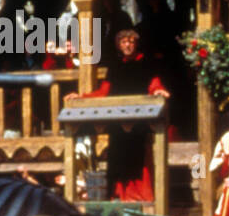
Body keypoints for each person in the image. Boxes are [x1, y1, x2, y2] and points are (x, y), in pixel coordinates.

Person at [65, 29, 170, 202]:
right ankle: (119, 196)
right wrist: (81, 97)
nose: (127, 45)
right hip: (117, 122)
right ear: (119, 45)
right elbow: (103, 92)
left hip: (139, 123)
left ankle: (140, 198)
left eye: (130, 42)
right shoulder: (115, 66)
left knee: (138, 161)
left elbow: (154, 84)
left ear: (135, 44)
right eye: (124, 42)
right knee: (118, 157)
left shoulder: (147, 63)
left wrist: (158, 90)